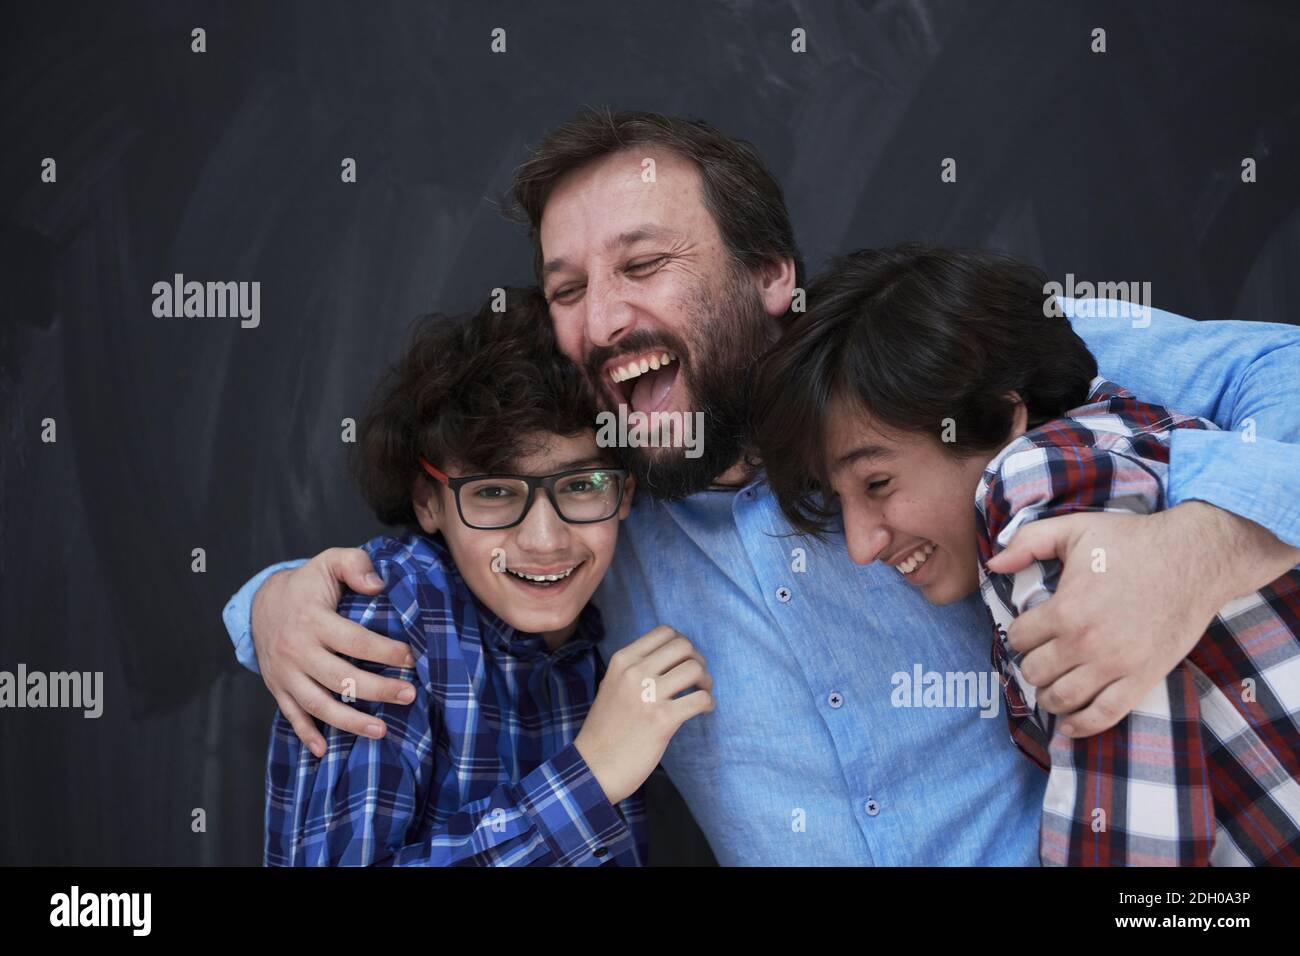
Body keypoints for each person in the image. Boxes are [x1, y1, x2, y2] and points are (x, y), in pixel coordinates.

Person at [227, 109, 1300, 865]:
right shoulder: (596, 518)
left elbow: (1279, 372)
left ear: (772, 274)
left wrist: (1196, 550)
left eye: (642, 265)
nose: (601, 318)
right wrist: (269, 604)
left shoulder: (920, 365)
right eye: (568, 288)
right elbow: (465, 545)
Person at [752, 245, 1300, 865]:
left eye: (878, 484)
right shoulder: (1122, 431)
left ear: (1000, 414)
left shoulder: (1031, 484)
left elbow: (1136, 852)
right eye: (839, 499)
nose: (859, 545)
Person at [265, 288, 714, 865]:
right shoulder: (384, 628)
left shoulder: (610, 620)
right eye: (496, 493)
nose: (546, 541)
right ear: (428, 501)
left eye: (581, 486)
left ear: (624, 493)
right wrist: (589, 779)